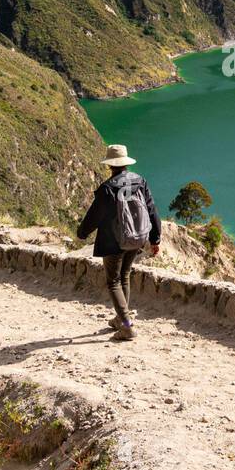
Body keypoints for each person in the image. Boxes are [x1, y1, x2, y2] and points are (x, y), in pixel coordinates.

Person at [77, 144, 161, 341]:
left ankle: (127, 326)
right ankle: (120, 318)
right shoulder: (140, 181)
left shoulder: (107, 188)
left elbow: (94, 217)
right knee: (124, 275)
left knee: (113, 281)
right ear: (125, 163)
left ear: (110, 165)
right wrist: (155, 238)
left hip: (113, 241)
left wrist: (82, 233)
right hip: (138, 237)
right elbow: (151, 210)